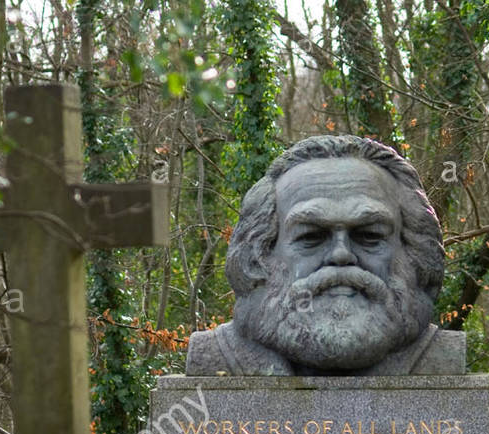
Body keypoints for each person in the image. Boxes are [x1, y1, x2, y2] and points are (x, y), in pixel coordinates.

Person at [185, 135, 464, 376]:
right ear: (260, 254)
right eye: (311, 236)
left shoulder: (443, 357)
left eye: (369, 236)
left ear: (412, 251)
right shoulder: (215, 355)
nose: (341, 255)